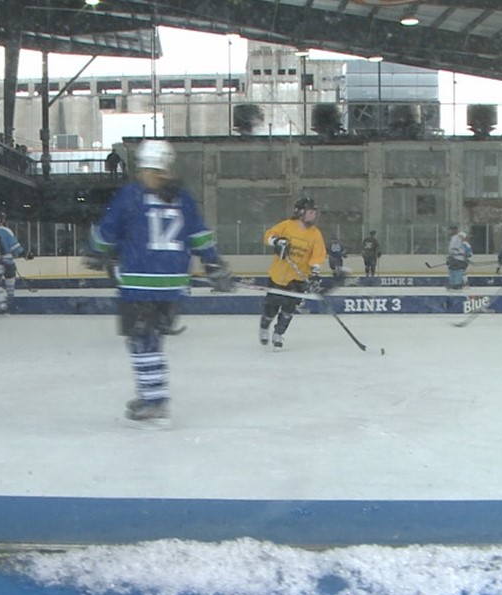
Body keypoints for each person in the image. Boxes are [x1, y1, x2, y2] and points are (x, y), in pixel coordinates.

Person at [85, 139, 234, 426]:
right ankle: (153, 395)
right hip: (173, 286)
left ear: (144, 167)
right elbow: (199, 234)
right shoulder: (183, 198)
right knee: (153, 340)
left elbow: (107, 231)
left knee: (142, 341)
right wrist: (213, 263)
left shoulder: (132, 195)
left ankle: (154, 400)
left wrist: (95, 250)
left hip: (139, 283)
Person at [259, 197, 331, 351]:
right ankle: (264, 326)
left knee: (288, 309)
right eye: (310, 212)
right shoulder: (286, 225)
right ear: (300, 212)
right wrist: (276, 242)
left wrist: (315, 272)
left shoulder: (315, 234)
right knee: (271, 308)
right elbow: (268, 236)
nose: (313, 215)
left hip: (298, 279)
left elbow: (318, 255)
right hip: (278, 276)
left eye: (315, 213)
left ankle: (278, 334)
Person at [0, 214, 28, 304]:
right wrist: (25, 254)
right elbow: (15, 247)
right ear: (3, 220)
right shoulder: (6, 231)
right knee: (10, 280)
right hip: (7, 260)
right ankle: (10, 299)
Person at [446, 226, 472, 290]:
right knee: (454, 270)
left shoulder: (458, 239)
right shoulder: (455, 238)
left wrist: (452, 255)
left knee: (458, 270)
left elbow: (456, 249)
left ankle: (457, 284)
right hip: (456, 258)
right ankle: (455, 283)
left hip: (458, 258)